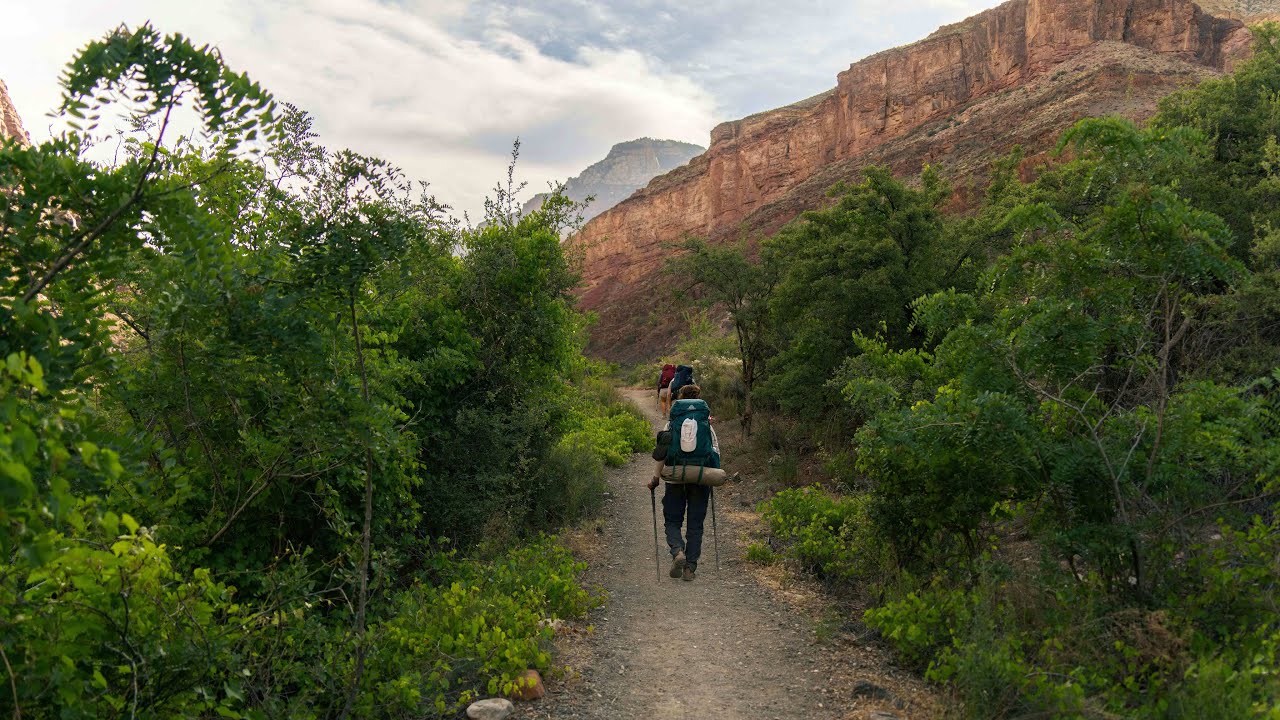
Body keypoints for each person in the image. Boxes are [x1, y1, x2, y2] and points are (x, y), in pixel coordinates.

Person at [648, 383, 721, 581]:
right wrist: (712, 476)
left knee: (672, 519)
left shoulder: (672, 423)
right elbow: (715, 452)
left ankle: (677, 550)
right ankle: (690, 567)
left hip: (676, 479)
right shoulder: (706, 424)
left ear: (679, 397)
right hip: (700, 478)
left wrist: (655, 478)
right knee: (695, 524)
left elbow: (661, 454)